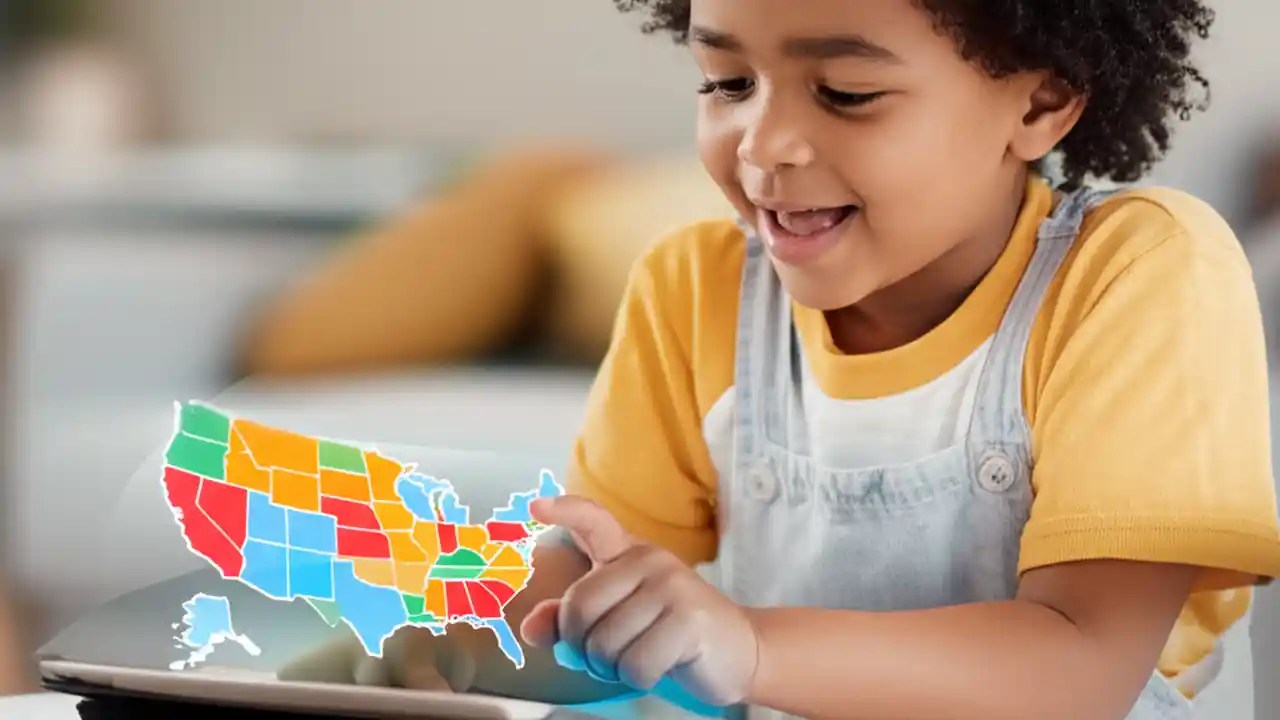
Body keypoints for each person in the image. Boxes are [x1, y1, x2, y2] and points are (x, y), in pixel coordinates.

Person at [280, 1, 1280, 717]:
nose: (762, 146)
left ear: (1041, 102)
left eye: (844, 93)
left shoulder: (1141, 272)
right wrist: (450, 644)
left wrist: (748, 645)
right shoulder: (693, 287)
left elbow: (1078, 669)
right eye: (725, 82)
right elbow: (609, 598)